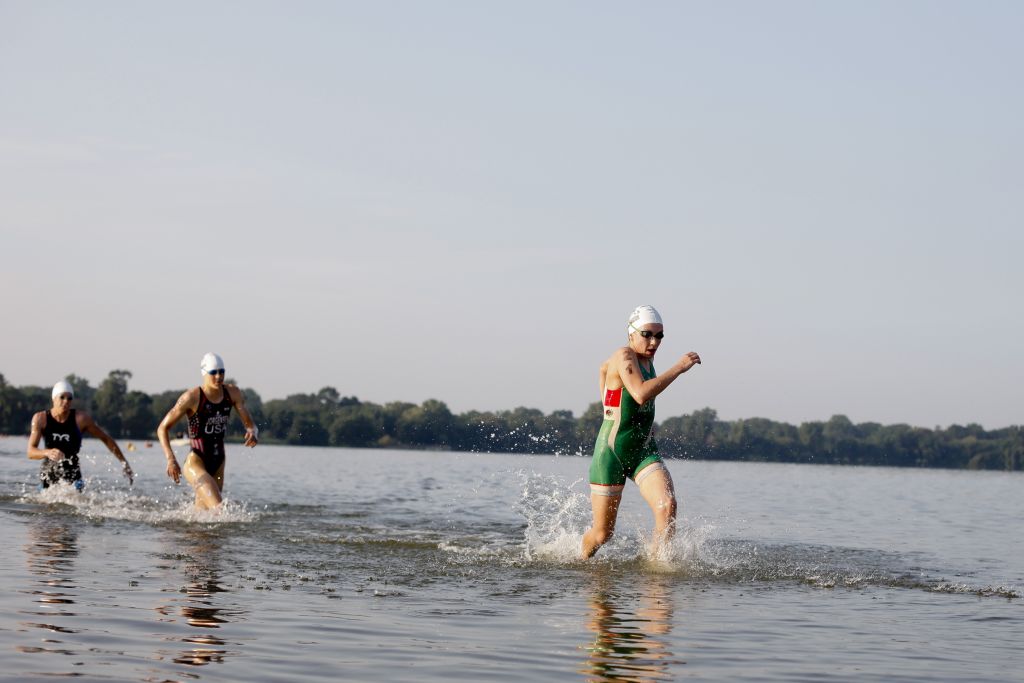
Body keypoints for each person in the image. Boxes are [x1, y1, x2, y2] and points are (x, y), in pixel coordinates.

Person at [581, 305, 701, 559]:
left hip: (643, 450)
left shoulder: (646, 359)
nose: (654, 342)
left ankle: (658, 570)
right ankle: (579, 561)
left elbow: (604, 369)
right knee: (603, 535)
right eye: (647, 334)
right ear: (631, 333)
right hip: (611, 453)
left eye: (659, 336)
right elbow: (640, 393)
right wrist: (679, 367)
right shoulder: (624, 355)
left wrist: (608, 400)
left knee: (667, 506)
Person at [156, 353, 258, 509]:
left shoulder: (233, 393)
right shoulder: (191, 397)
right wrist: (170, 459)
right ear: (204, 373)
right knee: (219, 510)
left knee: (204, 519)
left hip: (219, 462)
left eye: (222, 372)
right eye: (214, 373)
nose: (219, 377)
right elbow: (162, 428)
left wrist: (252, 432)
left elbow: (250, 424)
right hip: (196, 462)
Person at [27, 380, 135, 490]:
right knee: (45, 503)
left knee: (77, 501)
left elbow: (105, 439)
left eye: (69, 398)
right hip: (49, 471)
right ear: (53, 398)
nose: (66, 401)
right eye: (62, 397)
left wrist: (124, 463)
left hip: (73, 471)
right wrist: (47, 452)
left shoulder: (81, 419)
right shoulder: (41, 419)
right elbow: (30, 452)